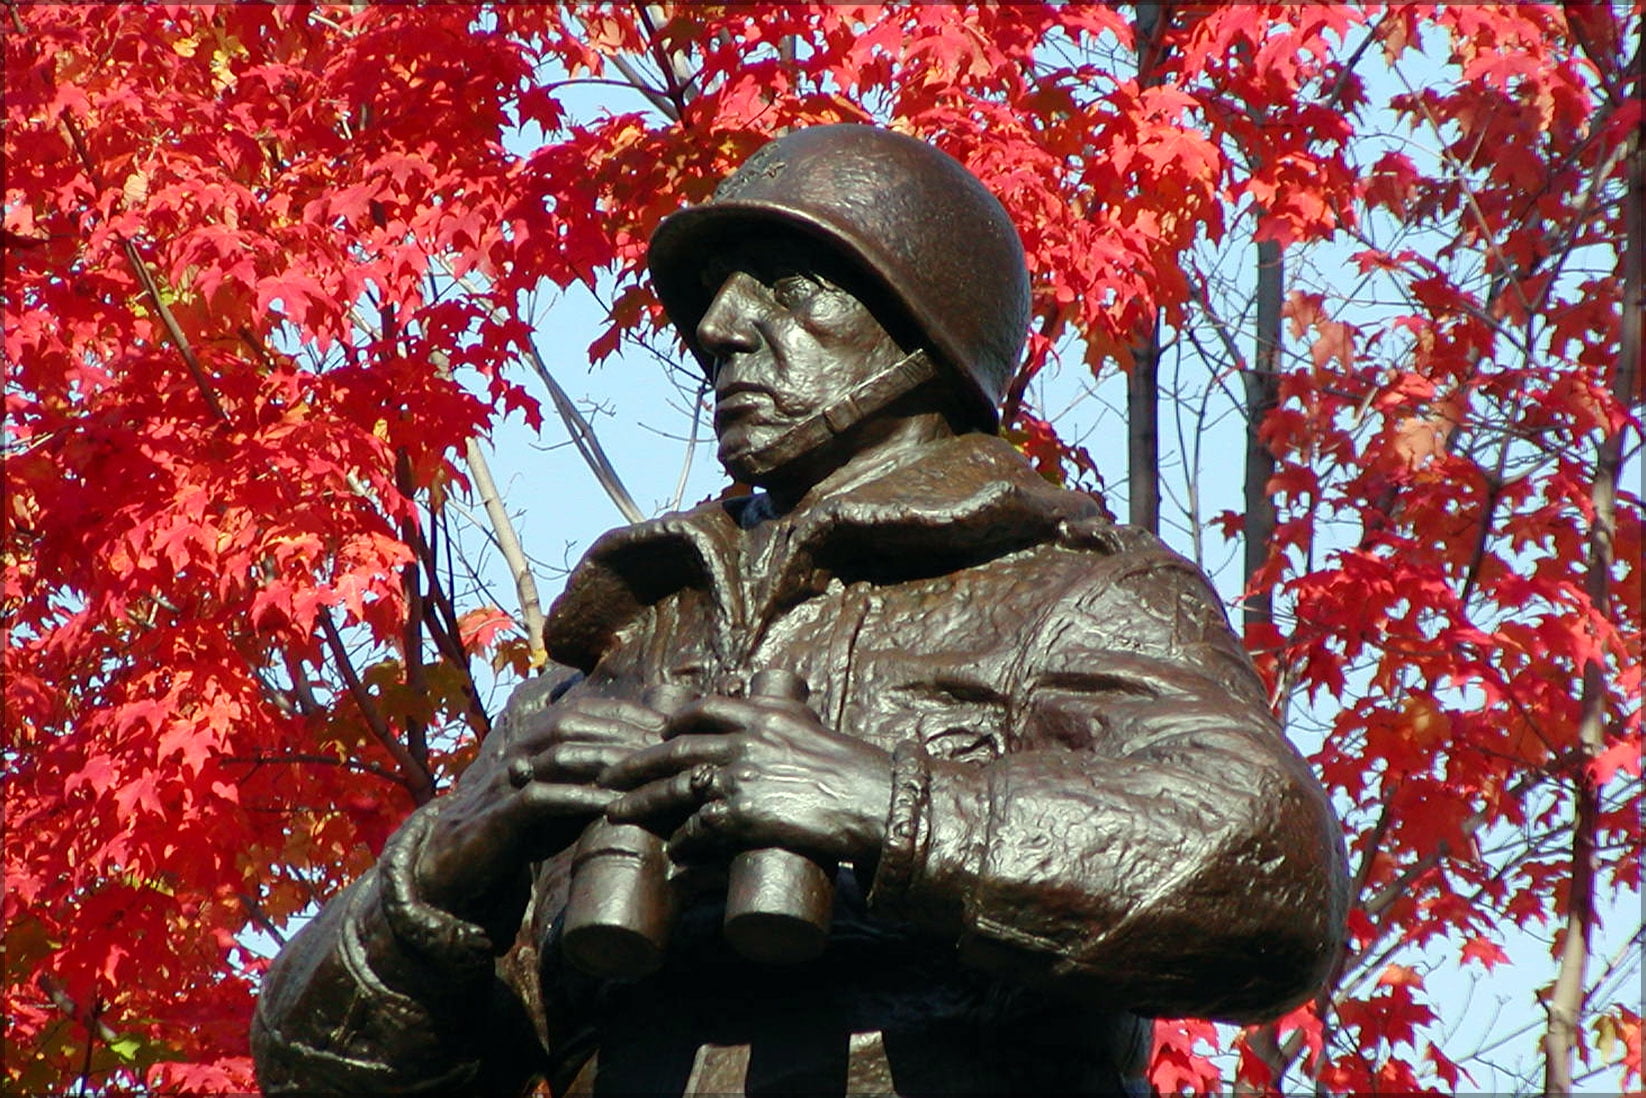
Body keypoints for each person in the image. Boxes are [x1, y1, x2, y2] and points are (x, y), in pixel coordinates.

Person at [253, 124, 1347, 1097]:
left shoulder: (1065, 592)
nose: (720, 327)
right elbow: (314, 1072)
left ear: (923, 322)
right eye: (716, 296)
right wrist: (451, 853)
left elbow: (1271, 883)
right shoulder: (609, 662)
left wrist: (883, 806)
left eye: (783, 284)